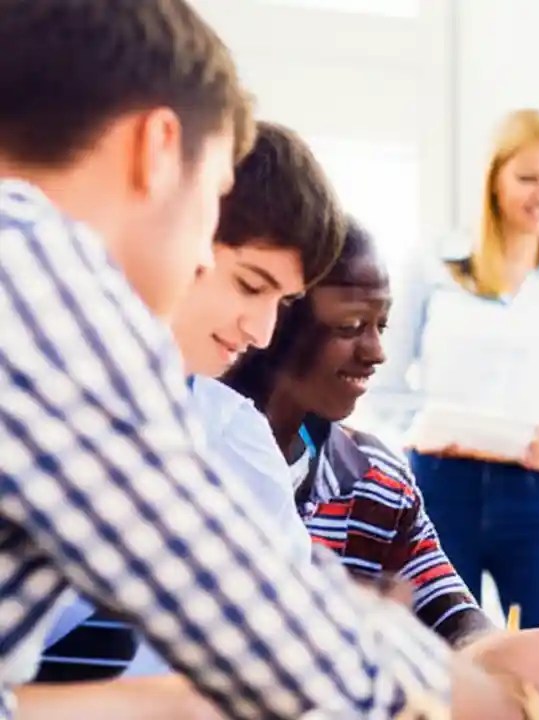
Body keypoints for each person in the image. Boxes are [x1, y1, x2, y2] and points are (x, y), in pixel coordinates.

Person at [0, 2, 539, 718]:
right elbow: (252, 616)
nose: (199, 254)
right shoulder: (45, 283)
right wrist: (488, 702)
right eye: (215, 194)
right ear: (158, 148)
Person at [223, 216, 539, 716]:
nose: (376, 352)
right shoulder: (195, 461)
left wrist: (511, 654)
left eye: (381, 325)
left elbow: (452, 618)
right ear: (273, 317)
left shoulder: (377, 479)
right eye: (350, 327)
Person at [34, 120, 342, 686]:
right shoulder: (35, 390)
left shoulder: (232, 438)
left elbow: (299, 643)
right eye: (250, 285)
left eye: (284, 302)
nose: (263, 331)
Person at [370, 108, 539, 629]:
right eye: (526, 178)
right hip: (439, 486)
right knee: (439, 651)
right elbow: (383, 387)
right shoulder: (433, 265)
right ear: (494, 180)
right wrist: (419, 429)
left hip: (536, 494)